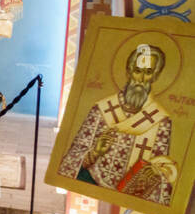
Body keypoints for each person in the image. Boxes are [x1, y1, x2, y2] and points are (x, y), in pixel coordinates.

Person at [57, 44, 176, 205]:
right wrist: (95, 152)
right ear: (128, 71)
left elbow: (161, 169)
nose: (140, 79)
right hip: (92, 184)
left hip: (133, 197)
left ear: (155, 76)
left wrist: (154, 171)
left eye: (148, 72)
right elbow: (70, 160)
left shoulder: (160, 120)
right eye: (137, 70)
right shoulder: (102, 109)